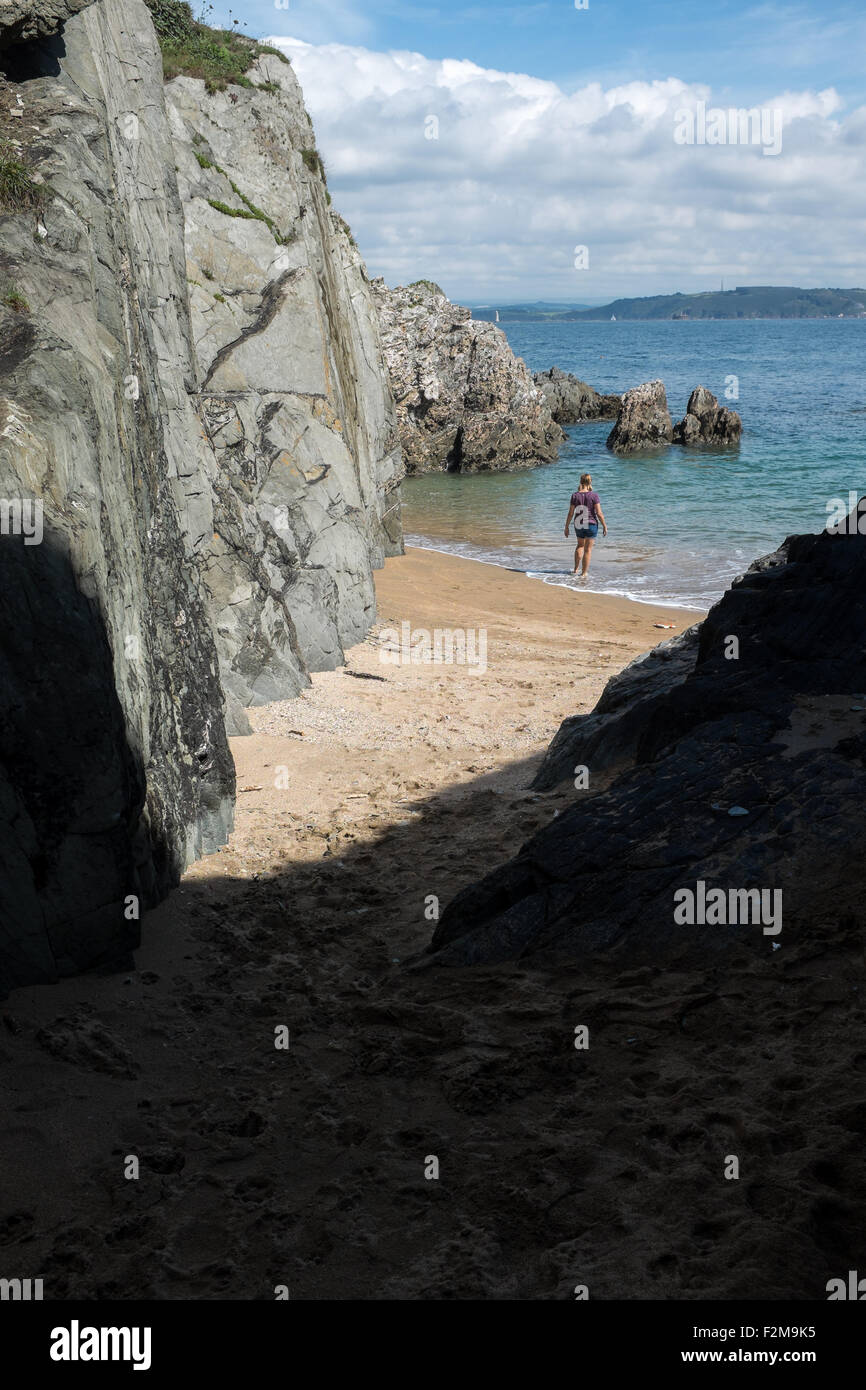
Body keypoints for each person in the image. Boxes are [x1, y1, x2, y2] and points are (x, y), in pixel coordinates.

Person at [564, 472, 607, 578]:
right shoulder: (594, 495)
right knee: (588, 550)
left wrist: (566, 526)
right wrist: (604, 526)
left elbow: (570, 513)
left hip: (578, 524)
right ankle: (583, 573)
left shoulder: (575, 495)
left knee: (579, 545)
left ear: (580, 481)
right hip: (591, 524)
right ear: (590, 482)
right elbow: (599, 513)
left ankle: (575, 569)